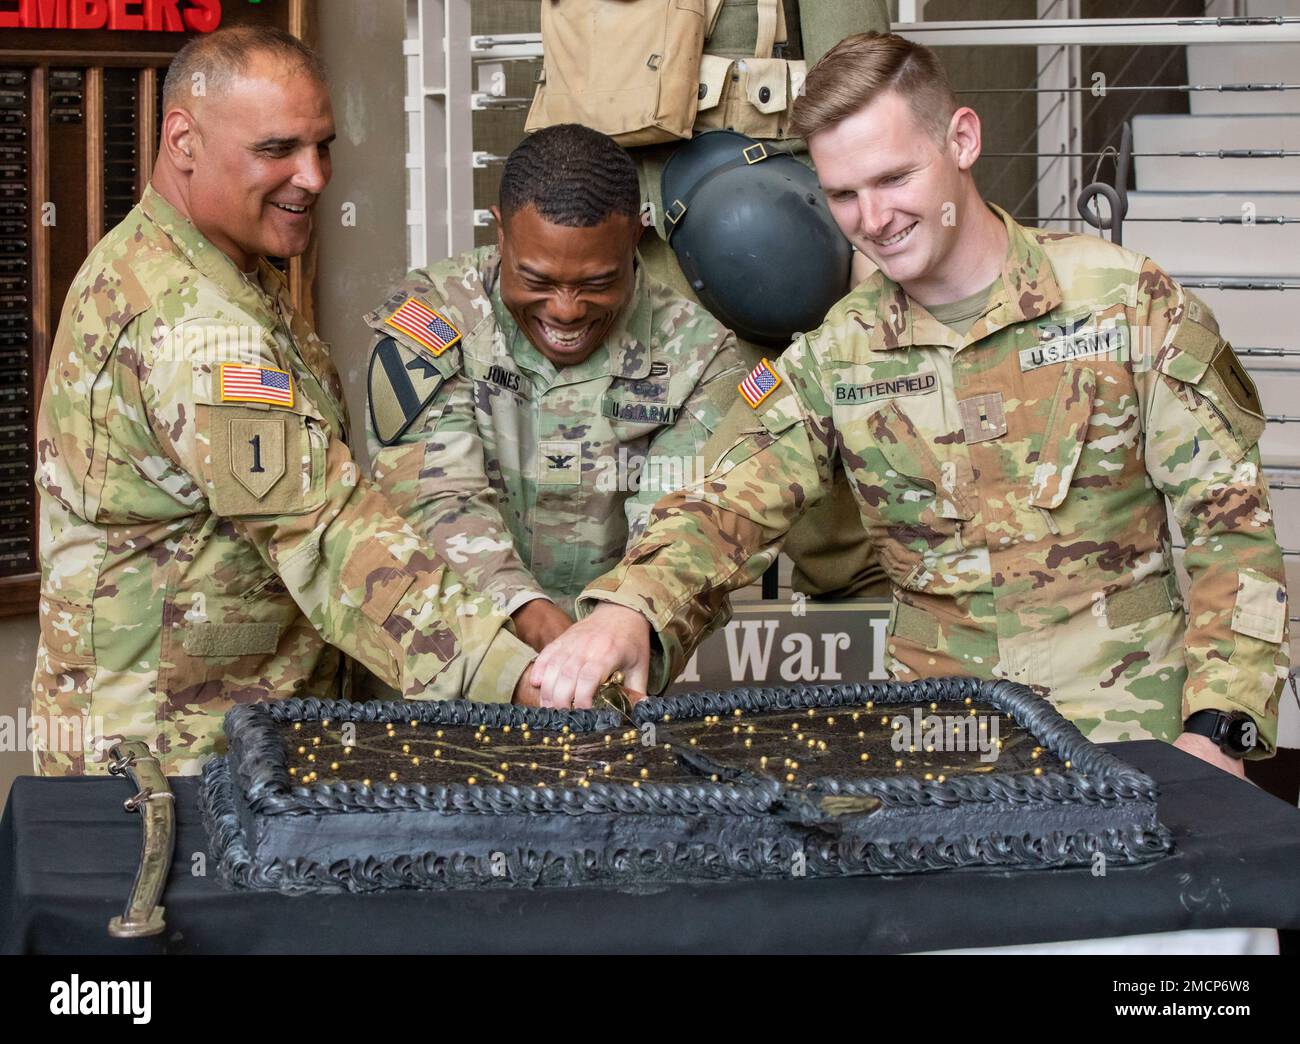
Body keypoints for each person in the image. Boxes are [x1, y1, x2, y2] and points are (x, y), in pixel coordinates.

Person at [528, 32, 1290, 777]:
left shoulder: (1126, 304)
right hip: (942, 752)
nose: (873, 218)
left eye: (894, 179)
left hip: (1132, 734)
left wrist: (1220, 726)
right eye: (843, 194)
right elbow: (722, 506)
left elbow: (1233, 531)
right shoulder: (836, 356)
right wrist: (628, 611)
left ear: (961, 140)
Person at [32, 27, 535, 776]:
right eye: (277, 150)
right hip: (171, 779)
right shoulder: (195, 331)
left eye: (323, 145)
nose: (314, 175)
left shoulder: (202, 266)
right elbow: (326, 534)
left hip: (227, 753)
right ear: (184, 140)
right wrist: (517, 678)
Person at [364, 124, 744, 654]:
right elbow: (431, 497)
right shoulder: (434, 316)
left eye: (596, 283)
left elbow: (687, 527)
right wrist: (523, 610)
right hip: (450, 663)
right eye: (538, 281)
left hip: (616, 666)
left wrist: (616, 629)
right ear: (500, 233)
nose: (566, 310)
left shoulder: (700, 355)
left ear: (637, 237)